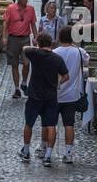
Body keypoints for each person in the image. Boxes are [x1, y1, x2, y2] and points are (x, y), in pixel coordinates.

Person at [20, 32, 68, 167]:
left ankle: (26, 151)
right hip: (51, 96)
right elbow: (66, 76)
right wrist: (58, 84)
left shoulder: (35, 54)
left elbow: (24, 49)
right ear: (51, 43)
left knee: (29, 124)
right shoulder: (57, 58)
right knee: (51, 125)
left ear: (39, 44)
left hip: (34, 95)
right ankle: (48, 156)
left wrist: (36, 47)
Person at [53, 26, 89, 164]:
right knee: (69, 124)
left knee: (51, 124)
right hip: (72, 94)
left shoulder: (55, 52)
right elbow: (87, 61)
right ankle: (68, 153)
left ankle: (46, 149)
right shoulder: (79, 52)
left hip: (56, 94)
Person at [3, 0, 37, 98]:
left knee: (27, 63)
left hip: (25, 39)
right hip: (13, 39)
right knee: (14, 64)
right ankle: (17, 88)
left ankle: (24, 83)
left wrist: (35, 37)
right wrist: (4, 37)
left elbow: (33, 24)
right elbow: (6, 24)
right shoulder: (11, 8)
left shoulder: (31, 9)